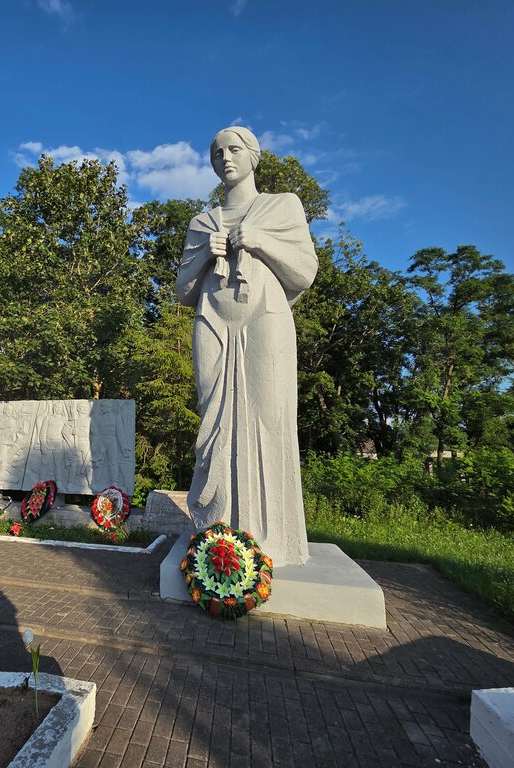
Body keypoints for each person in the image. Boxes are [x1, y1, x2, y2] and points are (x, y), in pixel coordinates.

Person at [176, 126, 318, 566]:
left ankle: (274, 537)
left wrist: (259, 241)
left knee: (268, 419)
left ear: (254, 156)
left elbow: (304, 271)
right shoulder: (202, 223)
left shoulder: (282, 206)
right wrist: (204, 255)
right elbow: (182, 290)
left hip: (265, 319)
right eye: (217, 153)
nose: (225, 159)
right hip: (213, 320)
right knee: (212, 417)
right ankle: (216, 532)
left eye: (234, 149)